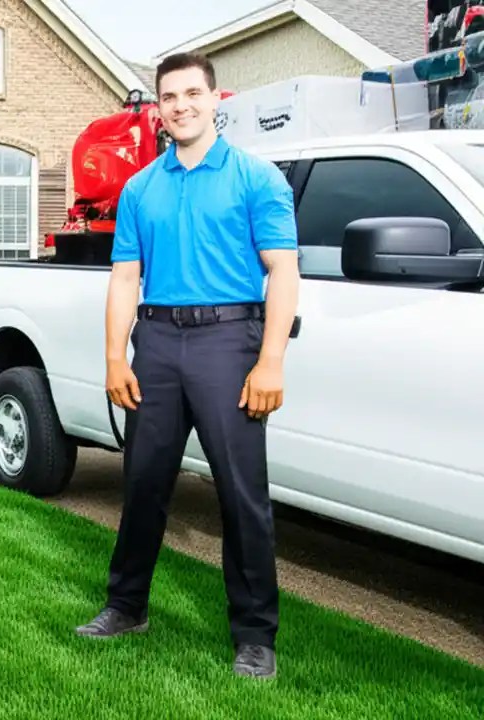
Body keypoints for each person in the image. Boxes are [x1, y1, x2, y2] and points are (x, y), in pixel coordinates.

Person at [74, 52, 300, 680]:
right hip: (158, 343)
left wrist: (270, 361)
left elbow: (283, 271)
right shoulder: (141, 188)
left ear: (214, 98)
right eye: (168, 97)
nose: (181, 106)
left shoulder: (256, 178)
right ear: (159, 107)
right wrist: (116, 355)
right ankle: (126, 606)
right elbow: (124, 278)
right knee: (144, 483)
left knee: (241, 496)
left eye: (192, 94)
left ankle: (255, 636)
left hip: (230, 342)